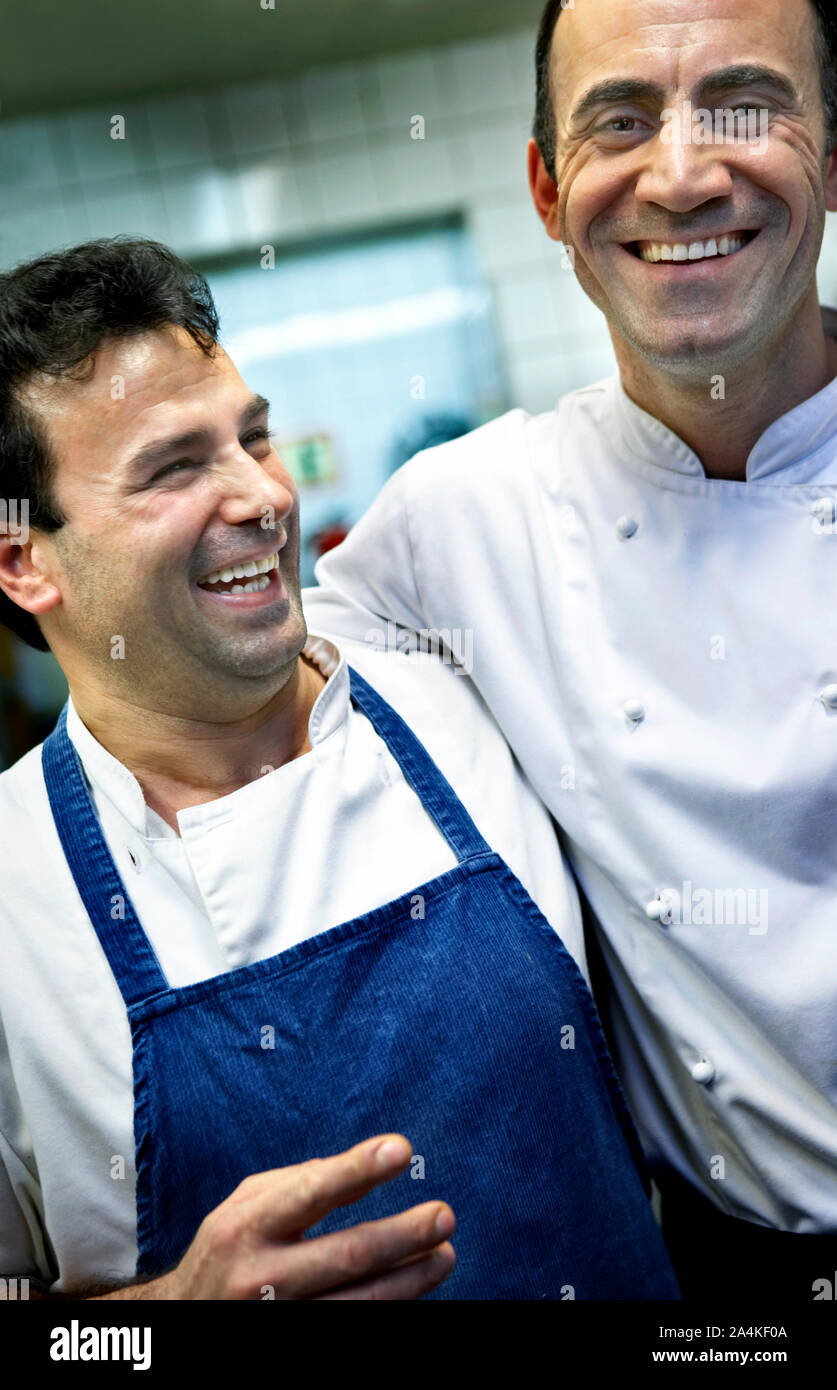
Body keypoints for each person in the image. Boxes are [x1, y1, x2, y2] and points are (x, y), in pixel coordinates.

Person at [0, 238, 680, 1300]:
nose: (262, 497)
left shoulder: (455, 678)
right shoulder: (16, 889)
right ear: (23, 559)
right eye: (175, 467)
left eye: (252, 438)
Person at [307, 0, 837, 1300]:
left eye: (744, 106)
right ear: (548, 192)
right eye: (621, 121)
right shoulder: (462, 522)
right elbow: (222, 703)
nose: (681, 173)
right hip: (738, 1270)